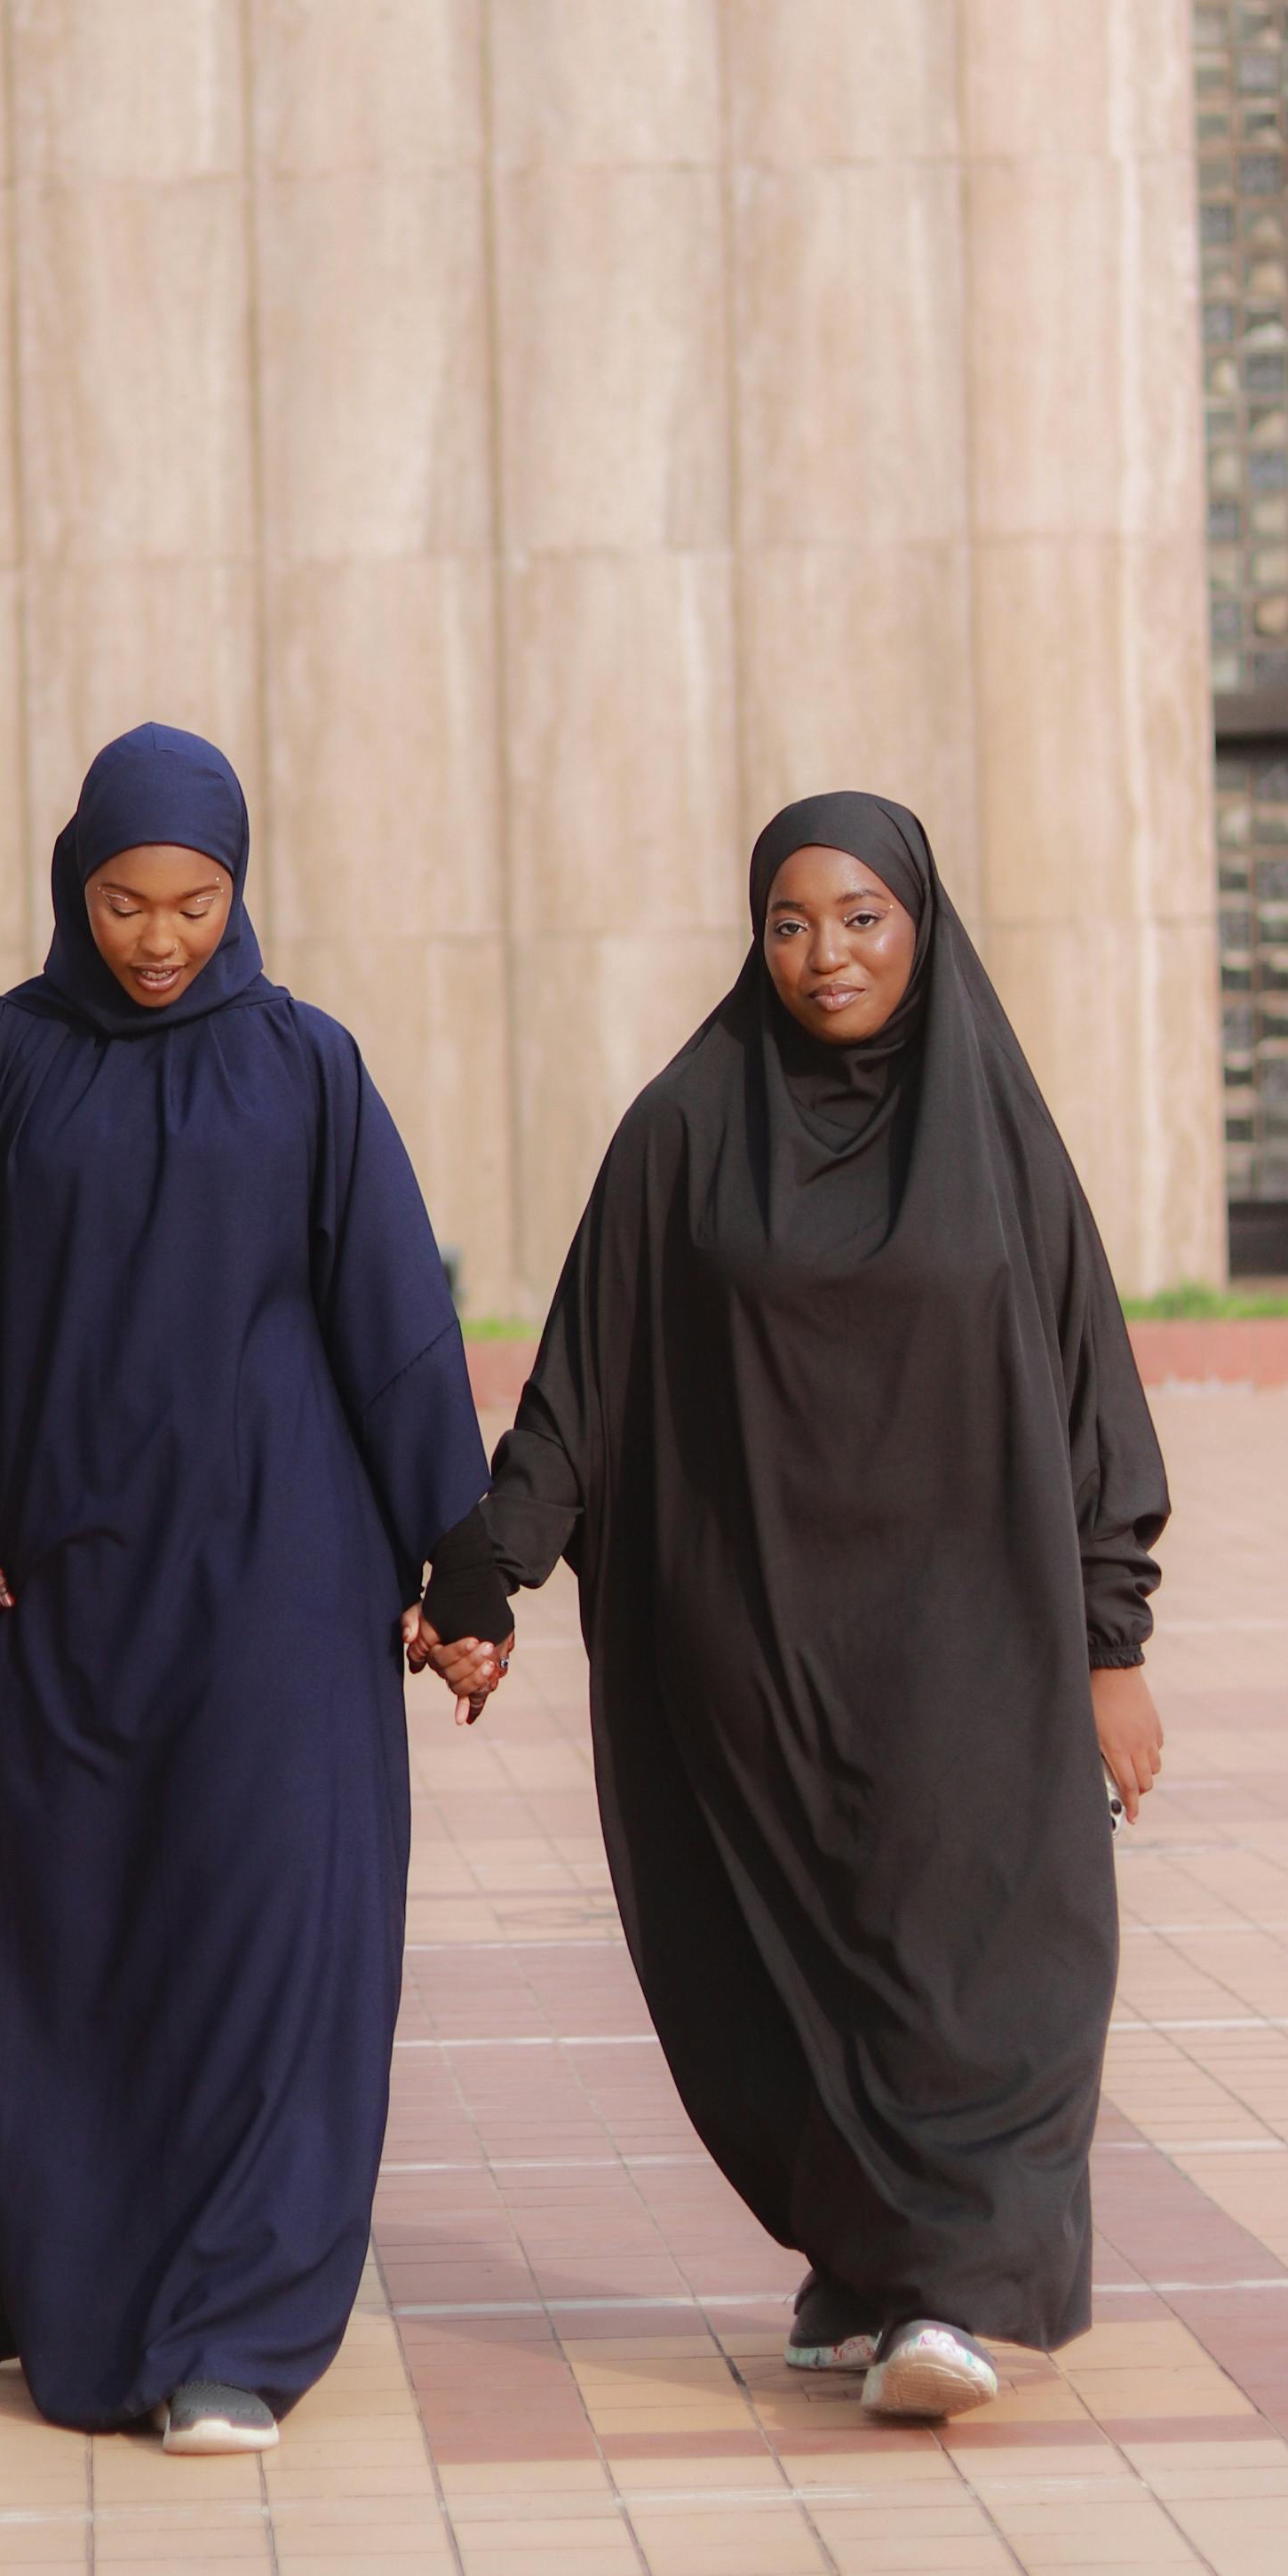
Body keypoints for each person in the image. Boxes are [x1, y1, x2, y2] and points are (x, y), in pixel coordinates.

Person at [418, 792, 1167, 2423]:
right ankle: (863, 2260)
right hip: (755, 1643)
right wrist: (487, 1575)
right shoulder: (688, 1127)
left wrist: (1115, 1648)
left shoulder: (995, 1132)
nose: (827, 956)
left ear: (921, 923)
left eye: (862, 918)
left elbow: (1092, 1390)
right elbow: (583, 1387)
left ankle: (950, 2297)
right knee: (800, 1965)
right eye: (791, 923)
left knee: (994, 1953)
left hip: (976, 1643)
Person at [0, 723, 489, 2453]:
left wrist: (465, 1557)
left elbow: (393, 1331)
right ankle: (79, 2301)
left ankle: (236, 2330)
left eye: (193, 900)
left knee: (277, 1948)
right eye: (123, 899)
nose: (156, 937)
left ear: (238, 889)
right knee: (63, 1951)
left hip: (284, 1593)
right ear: (74, 885)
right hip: (63, 1604)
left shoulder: (305, 1067)